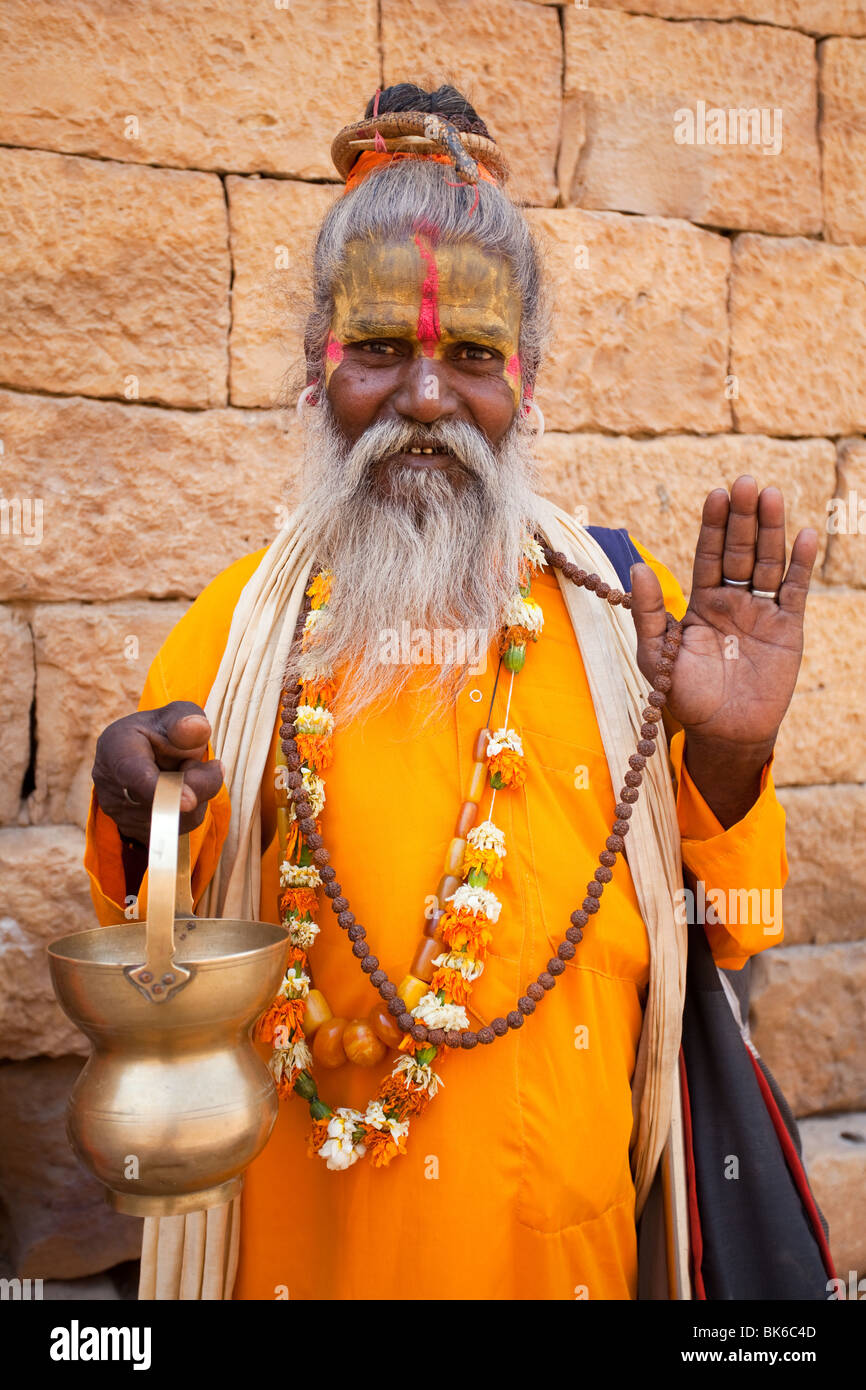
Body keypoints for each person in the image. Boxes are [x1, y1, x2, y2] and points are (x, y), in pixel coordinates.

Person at [84, 83, 817, 1301]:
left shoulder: (615, 618)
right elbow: (147, 965)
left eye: (470, 356)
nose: (425, 401)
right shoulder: (235, 631)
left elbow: (731, 924)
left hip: (560, 1256)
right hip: (303, 1259)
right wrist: (132, 813)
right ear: (315, 368)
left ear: (525, 379)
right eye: (379, 350)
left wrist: (730, 760)